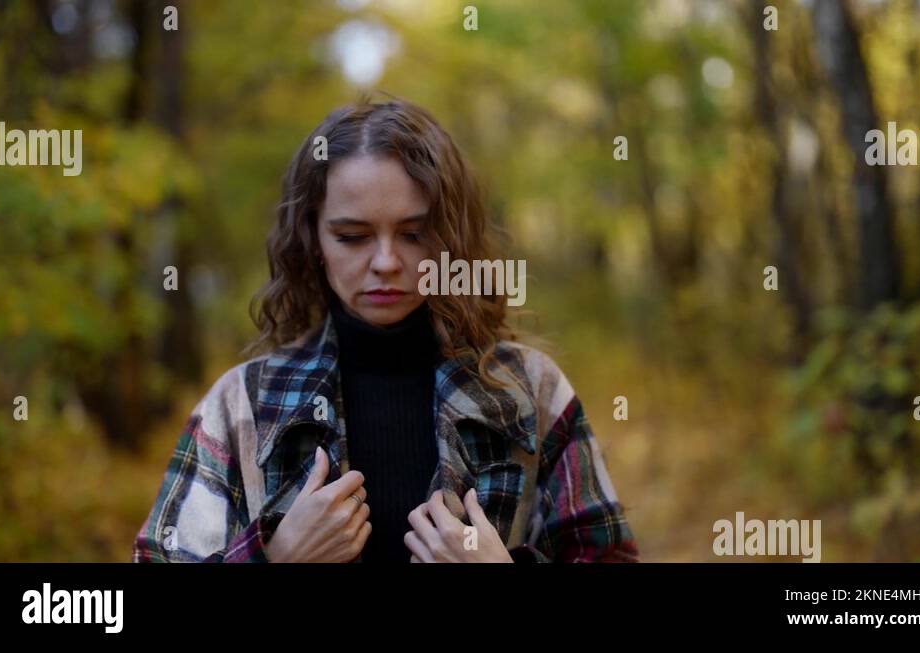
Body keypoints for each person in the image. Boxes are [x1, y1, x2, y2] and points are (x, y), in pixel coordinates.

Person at [132, 95, 638, 563]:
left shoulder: (532, 391)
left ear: (449, 238)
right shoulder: (241, 405)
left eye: (414, 234)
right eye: (352, 236)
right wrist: (274, 557)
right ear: (312, 239)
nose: (386, 262)